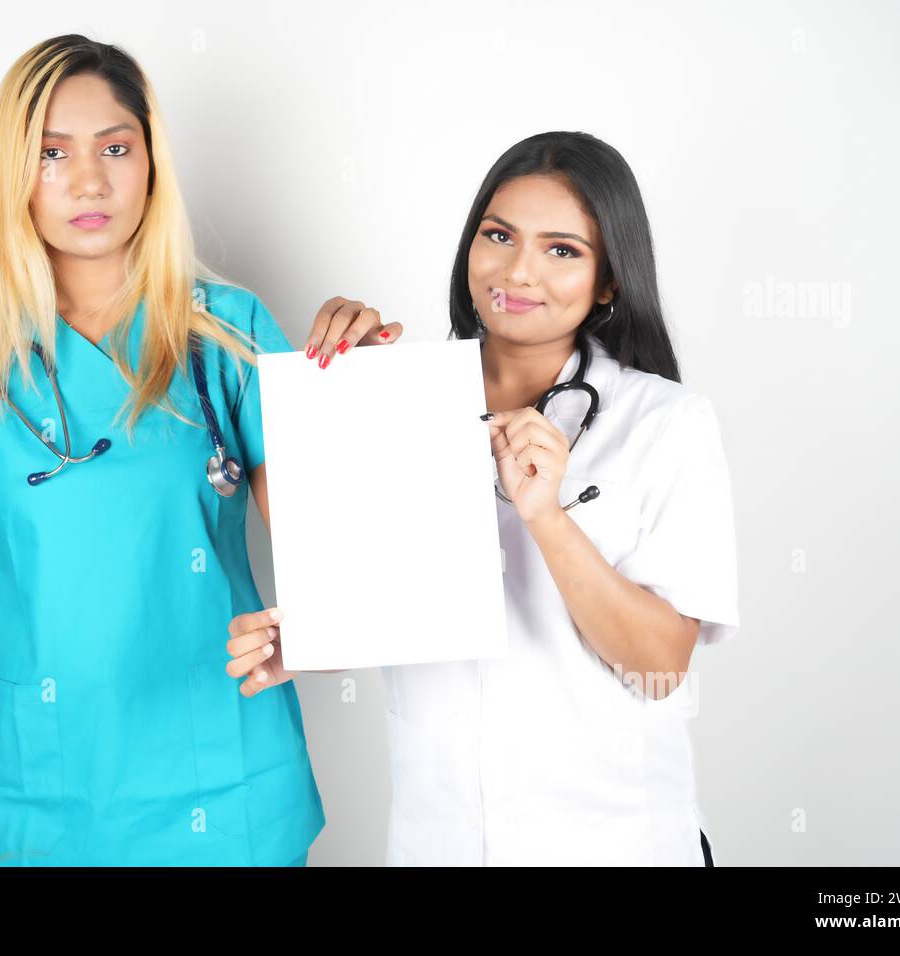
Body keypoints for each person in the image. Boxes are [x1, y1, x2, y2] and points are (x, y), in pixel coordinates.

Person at [0, 34, 402, 867]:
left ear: (151, 163)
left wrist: (363, 397)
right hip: (28, 796)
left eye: (115, 148)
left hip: (218, 783)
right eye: (51, 153)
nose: (88, 180)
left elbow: (333, 574)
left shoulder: (231, 337)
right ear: (13, 174)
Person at [225, 131, 739, 866]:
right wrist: (306, 642)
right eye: (499, 236)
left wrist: (547, 518)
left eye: (562, 250)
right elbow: (385, 609)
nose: (519, 270)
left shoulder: (664, 422)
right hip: (443, 841)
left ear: (609, 280)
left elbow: (661, 664)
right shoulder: (392, 402)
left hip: (618, 843)